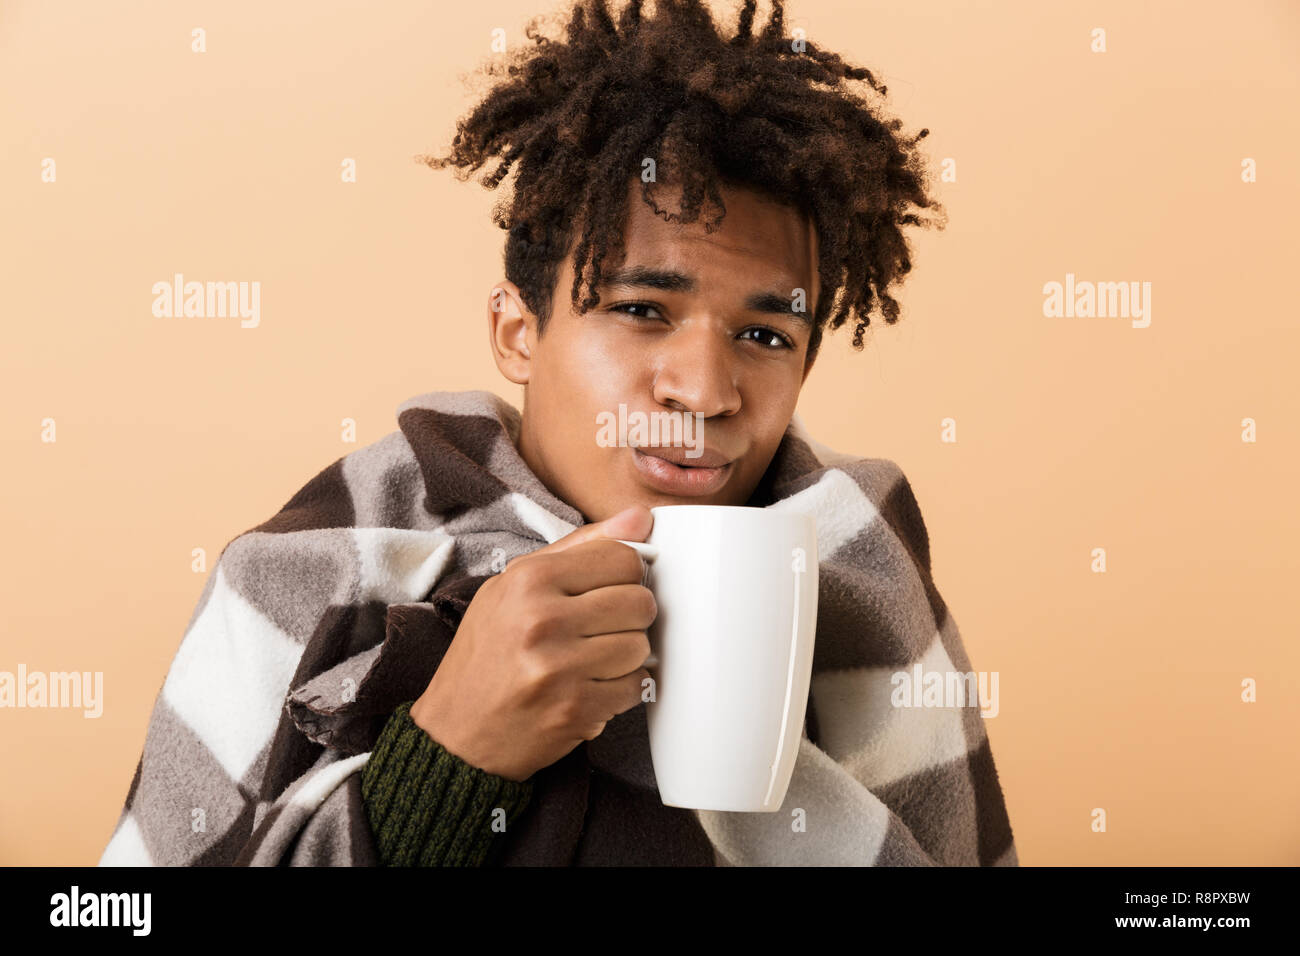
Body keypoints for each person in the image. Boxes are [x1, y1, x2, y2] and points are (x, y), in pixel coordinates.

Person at [102, 0, 1014, 866]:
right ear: (518, 334)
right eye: (642, 309)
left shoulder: (866, 570)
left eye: (765, 335)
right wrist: (448, 756)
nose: (703, 391)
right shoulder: (309, 572)